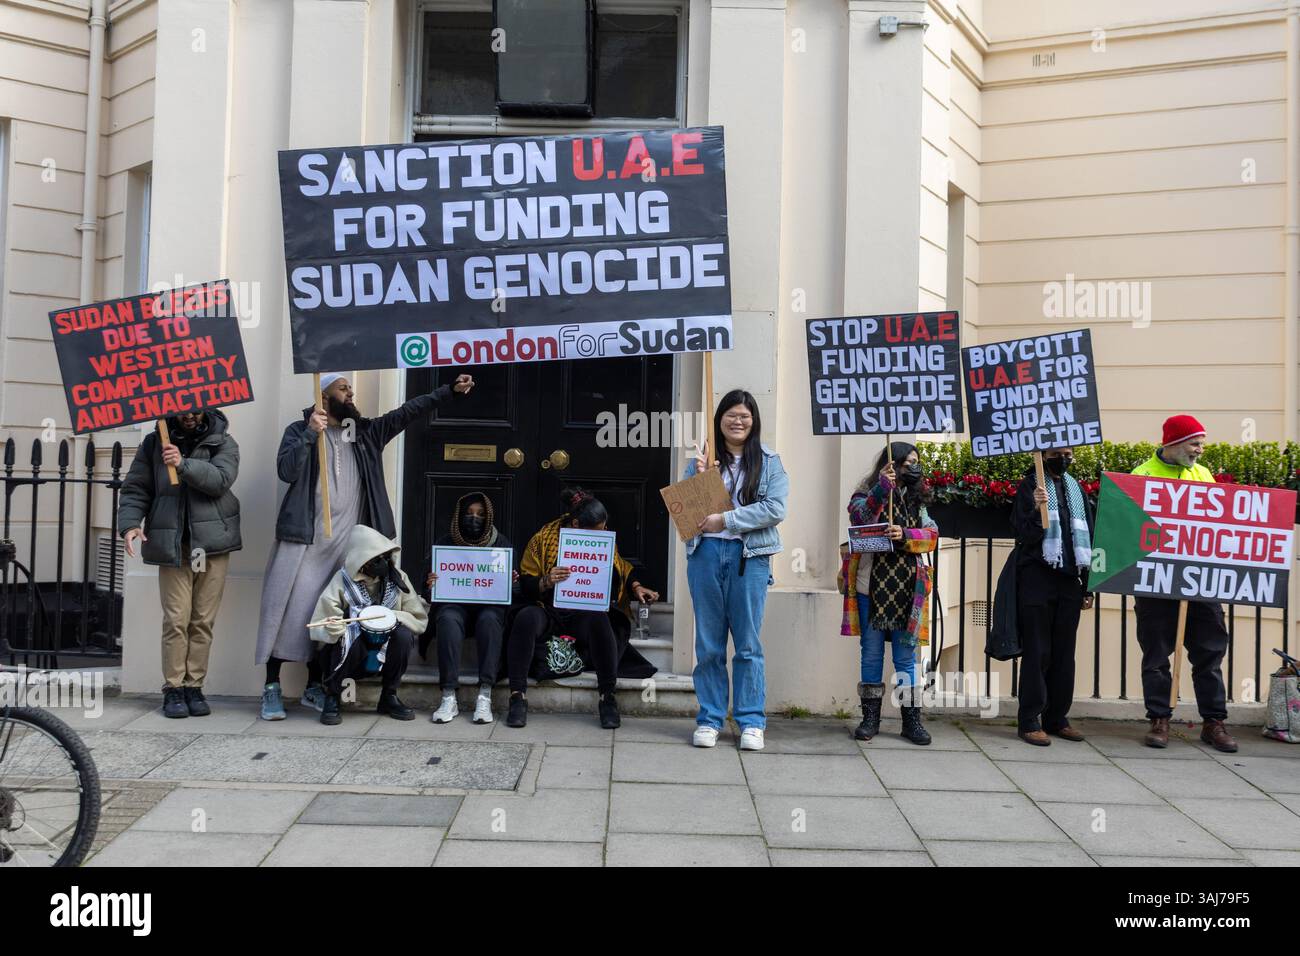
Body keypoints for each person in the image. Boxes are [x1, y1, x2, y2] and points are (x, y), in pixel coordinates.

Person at [255, 371, 473, 720]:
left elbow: (407, 412)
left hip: (347, 547)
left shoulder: (366, 433)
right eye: (344, 389)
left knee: (332, 619)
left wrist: (449, 391)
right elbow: (287, 470)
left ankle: (316, 685)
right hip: (305, 541)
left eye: (350, 388)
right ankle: (271, 688)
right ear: (324, 396)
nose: (351, 393)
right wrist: (311, 433)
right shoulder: (300, 431)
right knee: (286, 614)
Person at [118, 409, 240, 719]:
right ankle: (173, 688)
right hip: (173, 544)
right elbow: (136, 487)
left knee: (202, 620)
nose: (189, 414)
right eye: (182, 408)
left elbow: (220, 481)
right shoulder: (152, 443)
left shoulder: (223, 442)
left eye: (195, 408)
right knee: (175, 619)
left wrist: (183, 464)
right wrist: (131, 523)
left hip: (211, 545)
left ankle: (193, 686)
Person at [684, 389, 788, 751]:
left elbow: (775, 509)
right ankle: (710, 718)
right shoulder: (703, 460)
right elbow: (689, 517)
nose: (738, 421)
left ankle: (750, 720)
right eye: (731, 415)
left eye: (744, 416)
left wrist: (726, 518)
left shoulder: (770, 462)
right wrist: (699, 480)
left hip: (750, 558)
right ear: (720, 419)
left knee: (747, 644)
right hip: (706, 556)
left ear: (753, 421)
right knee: (709, 644)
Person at [505, 487, 658, 730]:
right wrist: (546, 580)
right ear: (576, 524)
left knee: (601, 620)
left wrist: (636, 587)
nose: (604, 534)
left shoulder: (603, 542)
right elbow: (525, 583)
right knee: (525, 618)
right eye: (598, 530)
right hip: (547, 610)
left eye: (605, 528)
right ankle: (517, 696)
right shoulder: (543, 539)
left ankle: (607, 697)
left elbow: (620, 566)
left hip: (582, 612)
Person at [1132, 414, 1238, 752]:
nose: (1200, 450)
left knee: (1209, 651)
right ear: (1173, 443)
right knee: (1157, 653)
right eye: (1195, 443)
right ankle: (1159, 718)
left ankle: (1213, 722)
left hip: (1199, 581)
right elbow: (1130, 527)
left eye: (1201, 443)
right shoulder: (1142, 476)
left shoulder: (1203, 475)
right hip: (1156, 581)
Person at [840, 442, 937, 745]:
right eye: (907, 463)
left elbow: (932, 535)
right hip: (871, 587)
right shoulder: (867, 491)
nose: (913, 468)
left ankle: (912, 721)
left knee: (905, 657)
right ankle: (870, 719)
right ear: (891, 464)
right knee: (870, 653)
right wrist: (882, 489)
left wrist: (906, 535)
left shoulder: (918, 500)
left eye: (916, 463)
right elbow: (858, 519)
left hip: (907, 589)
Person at [1009, 447, 1093, 746]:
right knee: (1037, 652)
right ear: (1042, 455)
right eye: (1057, 453)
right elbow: (1023, 534)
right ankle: (1029, 719)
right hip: (1038, 579)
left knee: (1063, 655)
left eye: (1069, 453)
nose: (1065, 458)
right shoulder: (1031, 486)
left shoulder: (1075, 488)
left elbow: (1090, 535)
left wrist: (1088, 585)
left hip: (1070, 580)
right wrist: (1034, 508)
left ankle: (1057, 718)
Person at [309, 525, 427, 724]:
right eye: (376, 559)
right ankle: (334, 695)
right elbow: (323, 619)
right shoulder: (343, 579)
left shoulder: (398, 578)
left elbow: (418, 618)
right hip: (355, 647)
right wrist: (334, 627)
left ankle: (389, 695)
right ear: (361, 561)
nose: (383, 562)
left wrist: (388, 615)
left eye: (385, 557)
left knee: (403, 636)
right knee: (346, 636)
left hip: (385, 644)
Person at [423, 492, 515, 724]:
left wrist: (512, 582)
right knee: (447, 619)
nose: (474, 518)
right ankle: (448, 696)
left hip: (488, 607)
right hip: (456, 605)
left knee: (490, 620)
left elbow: (512, 591)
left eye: (480, 515)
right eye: (469, 514)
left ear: (489, 518)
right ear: (459, 516)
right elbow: (428, 591)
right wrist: (430, 584)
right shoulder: (445, 544)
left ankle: (485, 695)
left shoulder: (501, 544)